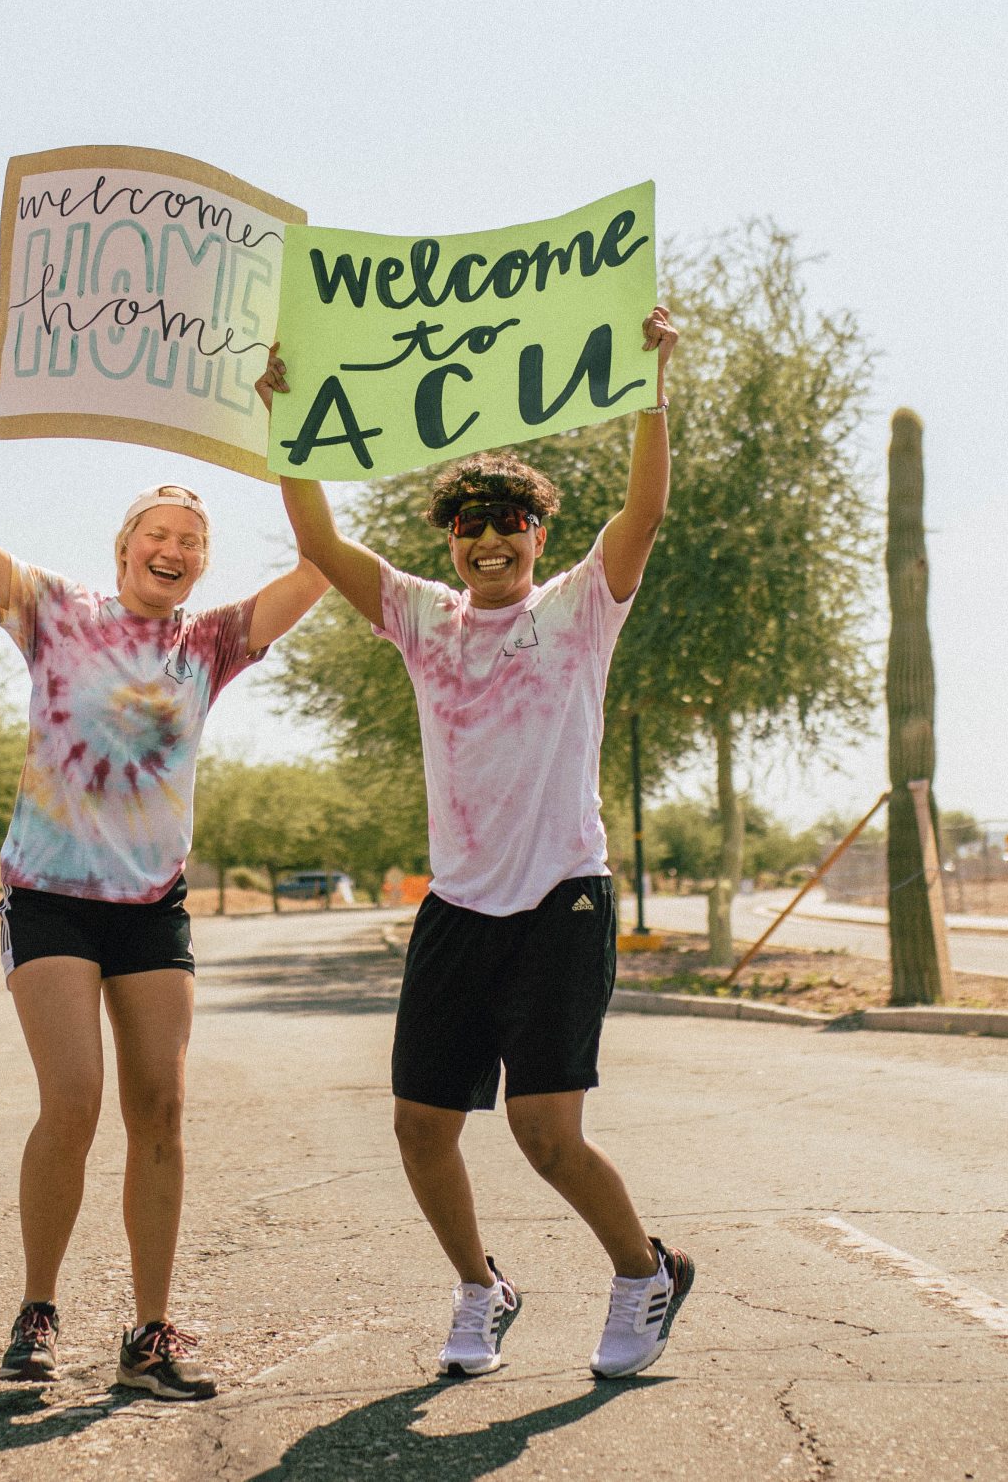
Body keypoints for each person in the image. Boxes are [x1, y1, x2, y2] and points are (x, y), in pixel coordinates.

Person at [260, 306, 692, 1381]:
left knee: (544, 1133)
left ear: (537, 536)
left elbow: (644, 509)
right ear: (448, 543)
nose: (489, 539)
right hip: (458, 909)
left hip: (561, 903)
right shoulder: (419, 620)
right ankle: (479, 1289)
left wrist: (648, 385)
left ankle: (644, 1271)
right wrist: (286, 432)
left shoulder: (580, 610)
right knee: (420, 1127)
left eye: (509, 523)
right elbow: (317, 544)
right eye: (468, 526)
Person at [0, 341, 328, 1399]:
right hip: (51, 897)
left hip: (154, 906)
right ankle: (38, 1309)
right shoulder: (56, 610)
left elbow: (322, 563)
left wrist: (290, 434)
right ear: (123, 547)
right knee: (74, 1100)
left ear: (200, 562)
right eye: (158, 531)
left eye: (192, 539)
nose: (176, 546)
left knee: (161, 1112)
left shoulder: (211, 642)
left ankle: (150, 1333)